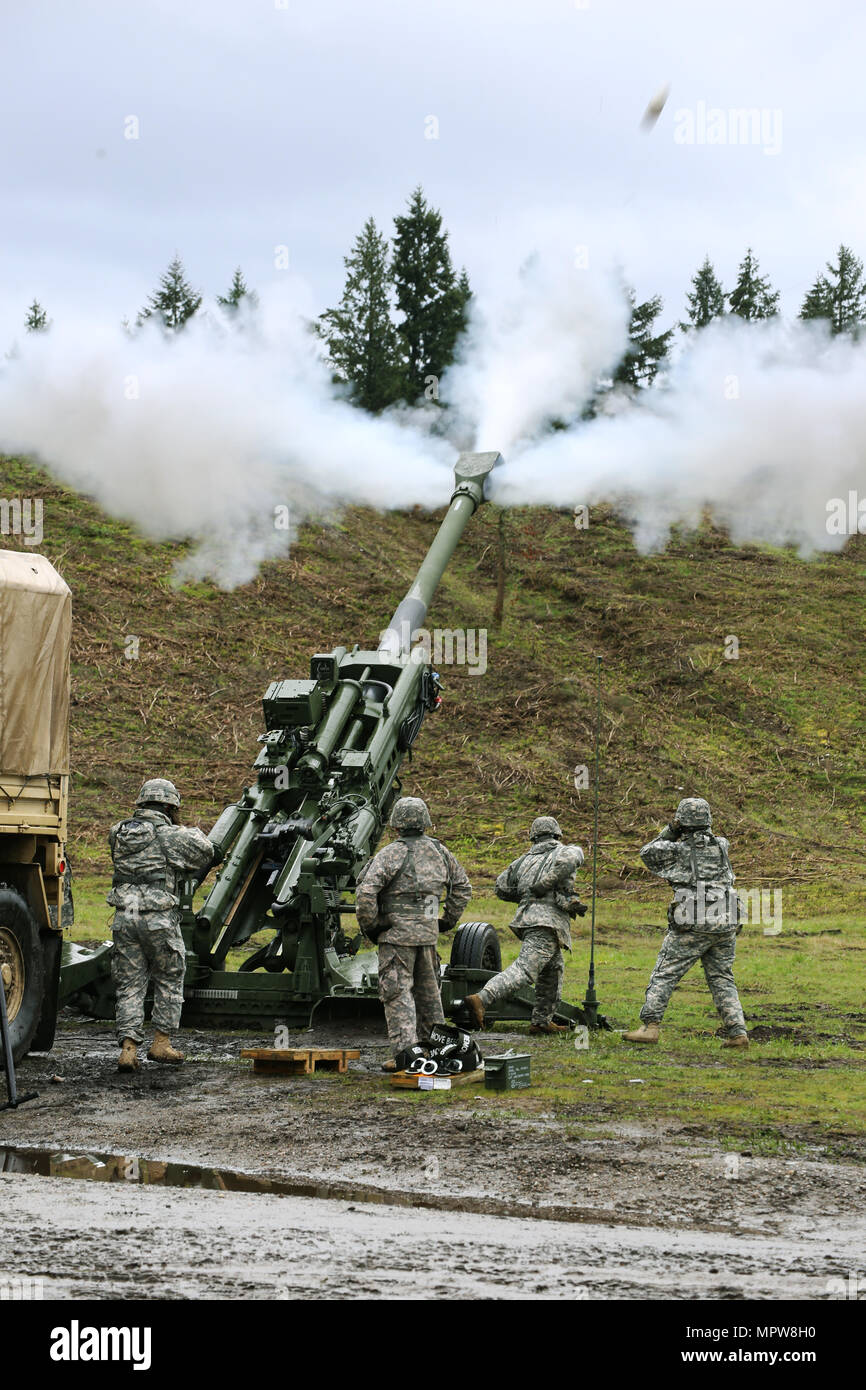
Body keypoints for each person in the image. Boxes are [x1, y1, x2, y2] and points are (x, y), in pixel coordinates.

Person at [108, 778, 219, 1072]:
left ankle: (128, 1051)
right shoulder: (170, 835)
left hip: (124, 916)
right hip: (158, 918)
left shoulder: (117, 833)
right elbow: (206, 851)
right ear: (170, 806)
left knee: (129, 983)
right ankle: (161, 1044)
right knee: (169, 976)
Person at [355, 797, 472, 1071]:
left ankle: (407, 1055)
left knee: (398, 995)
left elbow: (365, 892)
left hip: (396, 938)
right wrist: (446, 921)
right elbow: (463, 887)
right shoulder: (441, 852)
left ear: (396, 825)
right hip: (428, 936)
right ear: (425, 823)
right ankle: (437, 1051)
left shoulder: (389, 854)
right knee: (430, 997)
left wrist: (371, 925)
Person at [624, 797, 749, 1048]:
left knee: (665, 972)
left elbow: (647, 852)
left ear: (682, 821)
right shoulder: (722, 845)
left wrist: (671, 829)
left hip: (694, 919)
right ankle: (737, 1031)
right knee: (722, 977)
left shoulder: (676, 849)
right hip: (726, 919)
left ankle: (650, 1026)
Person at [464, 816, 585, 1035]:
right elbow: (571, 861)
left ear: (533, 836)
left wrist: (526, 896)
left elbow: (501, 887)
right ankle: (482, 999)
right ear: (557, 834)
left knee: (553, 969)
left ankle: (541, 1021)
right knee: (525, 970)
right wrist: (544, 885)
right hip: (547, 921)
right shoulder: (567, 850)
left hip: (529, 919)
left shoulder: (522, 861)